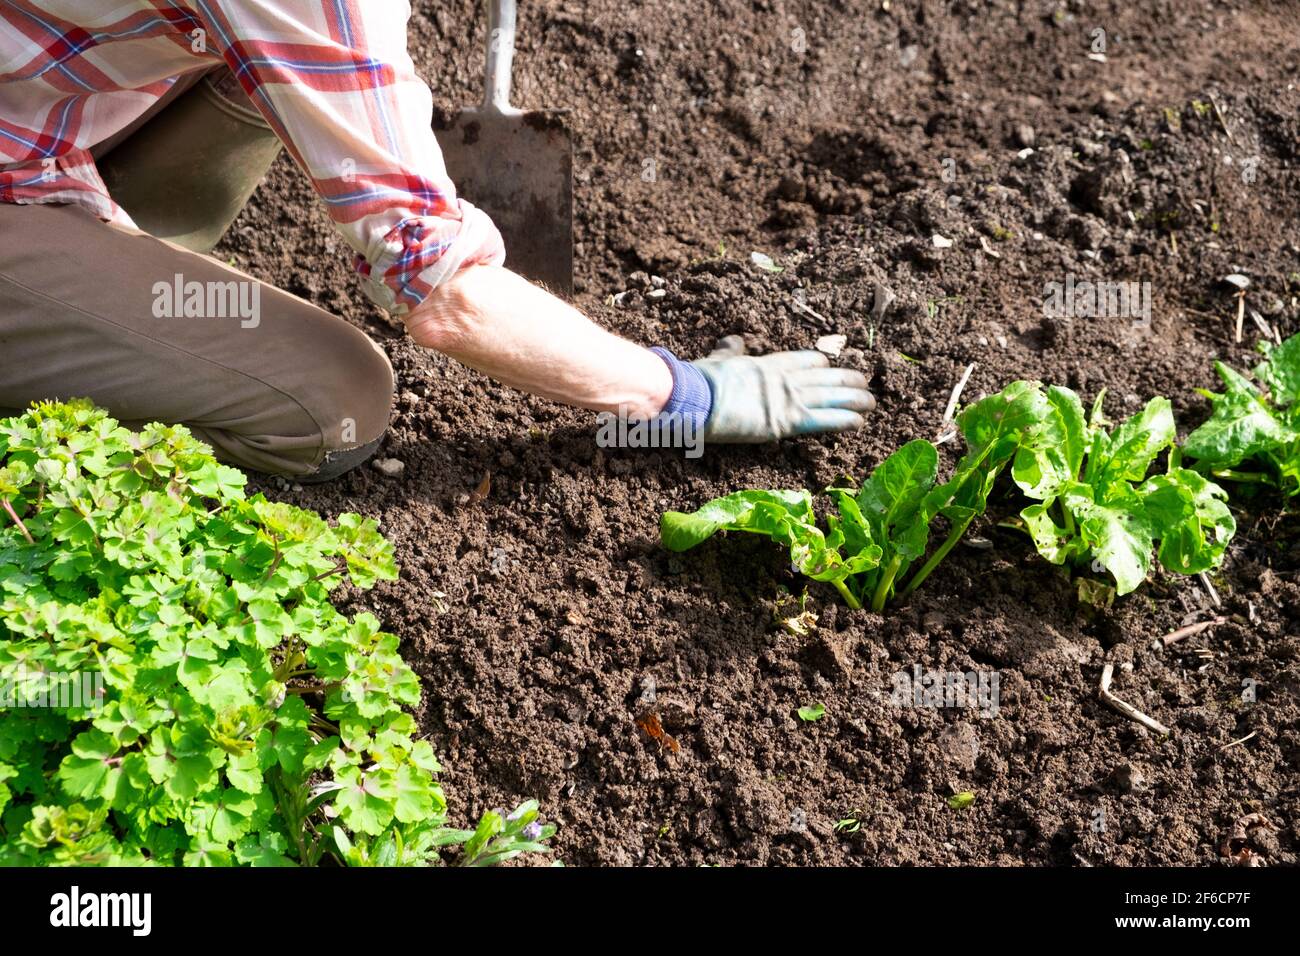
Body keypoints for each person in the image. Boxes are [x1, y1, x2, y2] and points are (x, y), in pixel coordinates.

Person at [0, 2, 875, 480]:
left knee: (252, 76)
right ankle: (67, 377)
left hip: (31, 110)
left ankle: (113, 287)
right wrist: (680, 396)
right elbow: (446, 300)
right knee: (337, 399)